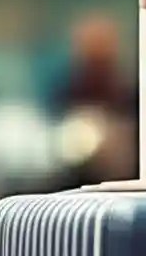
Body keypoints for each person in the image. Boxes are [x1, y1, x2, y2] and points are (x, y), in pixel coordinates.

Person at [56, 14, 134, 187]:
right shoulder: (69, 87)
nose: (96, 48)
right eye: (91, 42)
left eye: (102, 42)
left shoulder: (124, 87)